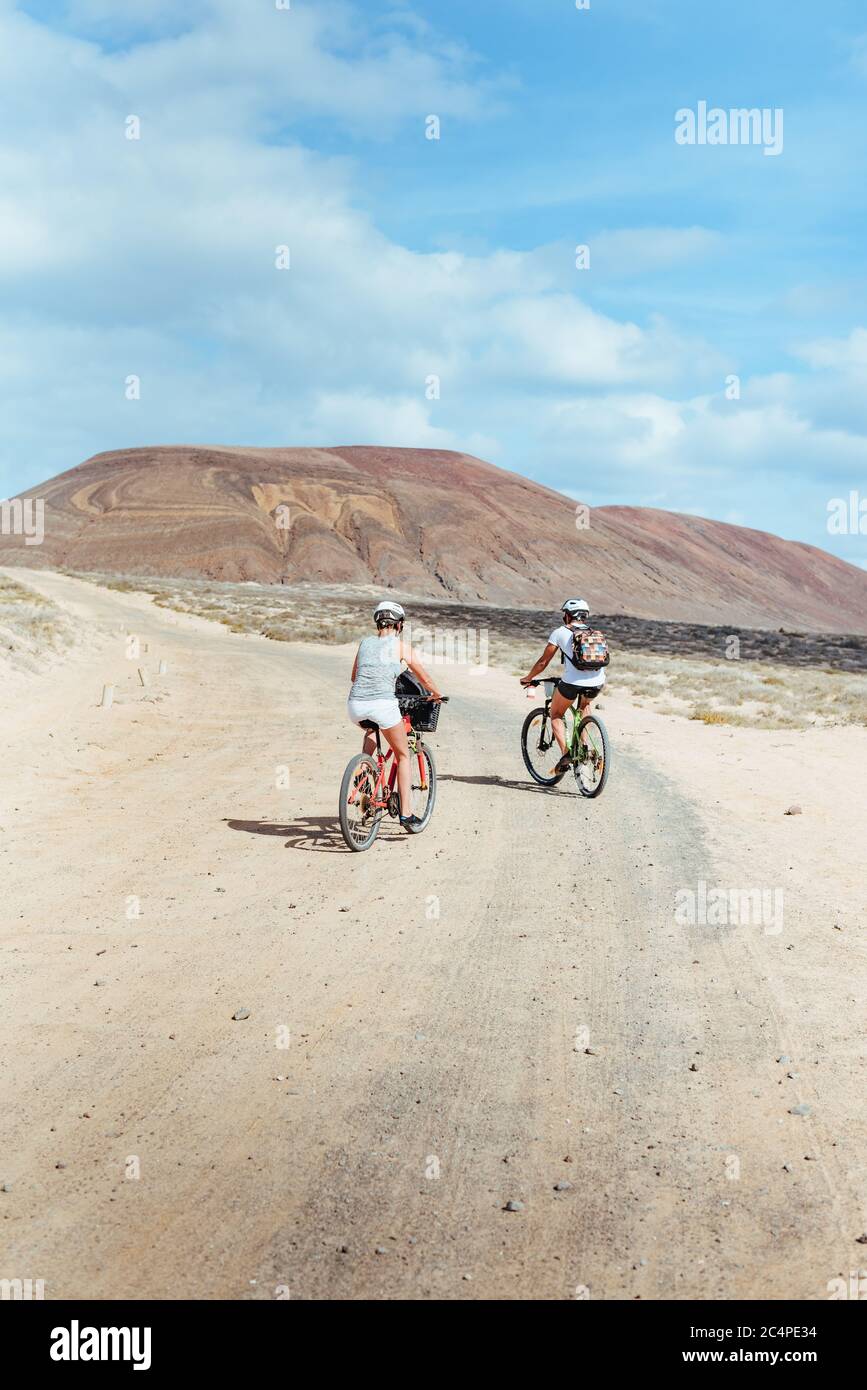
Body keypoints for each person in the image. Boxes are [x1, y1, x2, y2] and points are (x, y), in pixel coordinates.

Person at [348, 601, 443, 833]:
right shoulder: (401, 646)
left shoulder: (364, 644)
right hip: (383, 705)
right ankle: (406, 815)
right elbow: (424, 678)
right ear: (399, 625)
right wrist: (436, 694)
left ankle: (363, 770)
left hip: (355, 706)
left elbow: (354, 676)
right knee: (402, 756)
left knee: (372, 728)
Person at [520, 598, 605, 772]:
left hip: (573, 683)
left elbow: (543, 662)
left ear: (567, 615)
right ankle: (584, 747)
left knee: (556, 713)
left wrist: (528, 677)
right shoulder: (594, 633)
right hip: (597, 681)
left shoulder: (560, 632)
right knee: (583, 707)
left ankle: (567, 754)